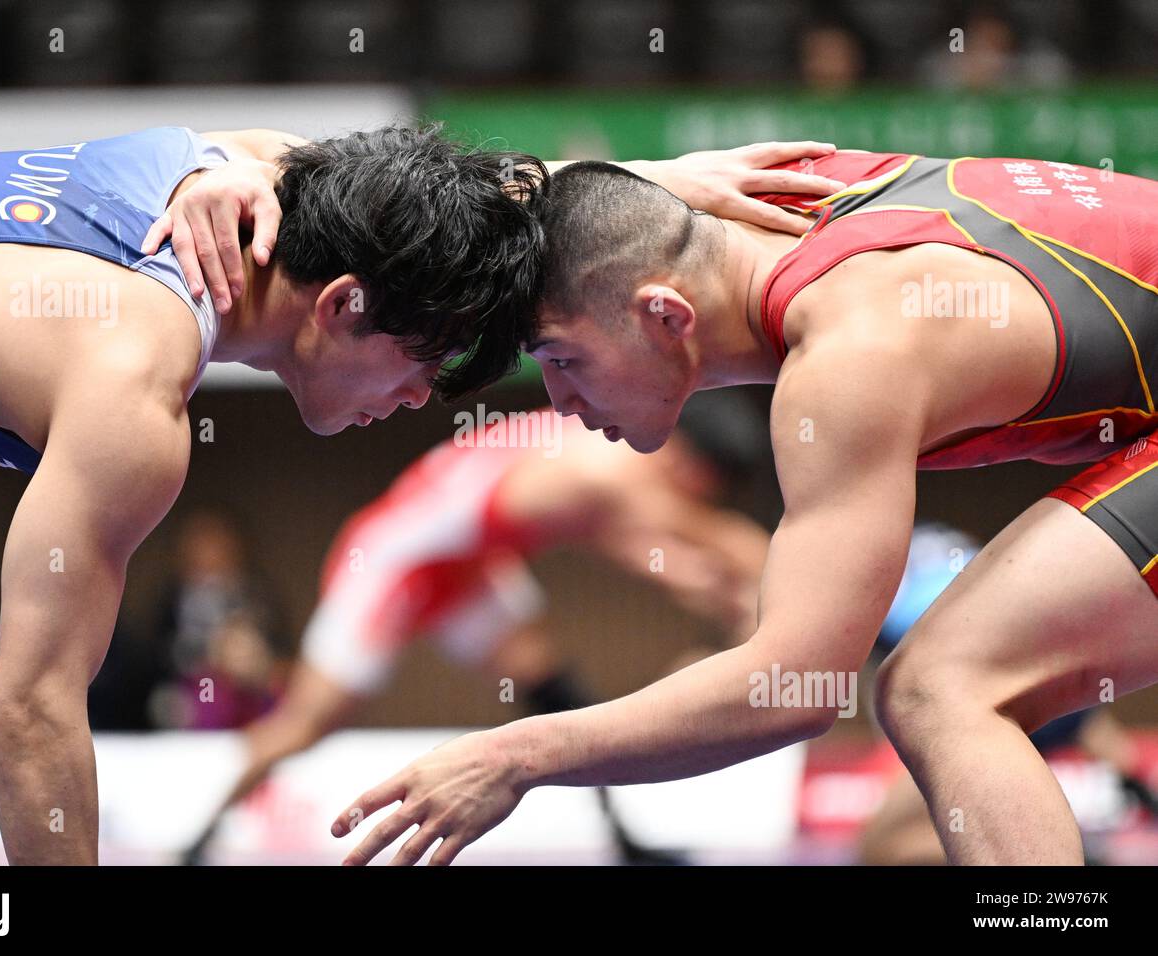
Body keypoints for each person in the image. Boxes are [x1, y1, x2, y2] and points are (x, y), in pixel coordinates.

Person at [0, 122, 842, 865]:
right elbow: (29, 712)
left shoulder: (258, 175)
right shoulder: (132, 393)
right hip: (405, 557)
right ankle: (198, 836)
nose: (417, 397)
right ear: (340, 306)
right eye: (419, 362)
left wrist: (650, 192)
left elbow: (431, 186)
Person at [332, 147, 1158, 865]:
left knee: (941, 688)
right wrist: (641, 177)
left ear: (666, 313)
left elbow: (796, 686)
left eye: (563, 358)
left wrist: (514, 754)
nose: (561, 400)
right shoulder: (784, 195)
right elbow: (568, 211)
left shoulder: (850, 358)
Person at [180, 393, 769, 865]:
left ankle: (626, 843)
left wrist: (739, 599)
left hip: (467, 567)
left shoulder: (608, 457)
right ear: (689, 462)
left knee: (554, 690)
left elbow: (665, 554)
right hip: (395, 559)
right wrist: (769, 598)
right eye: (709, 487)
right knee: (307, 723)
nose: (703, 498)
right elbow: (701, 548)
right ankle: (192, 840)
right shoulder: (604, 472)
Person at [858, 523, 1158, 865]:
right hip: (1051, 685)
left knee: (880, 847)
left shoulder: (871, 587)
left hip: (985, 700)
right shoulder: (933, 552)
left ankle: (1052, 851)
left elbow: (905, 697)